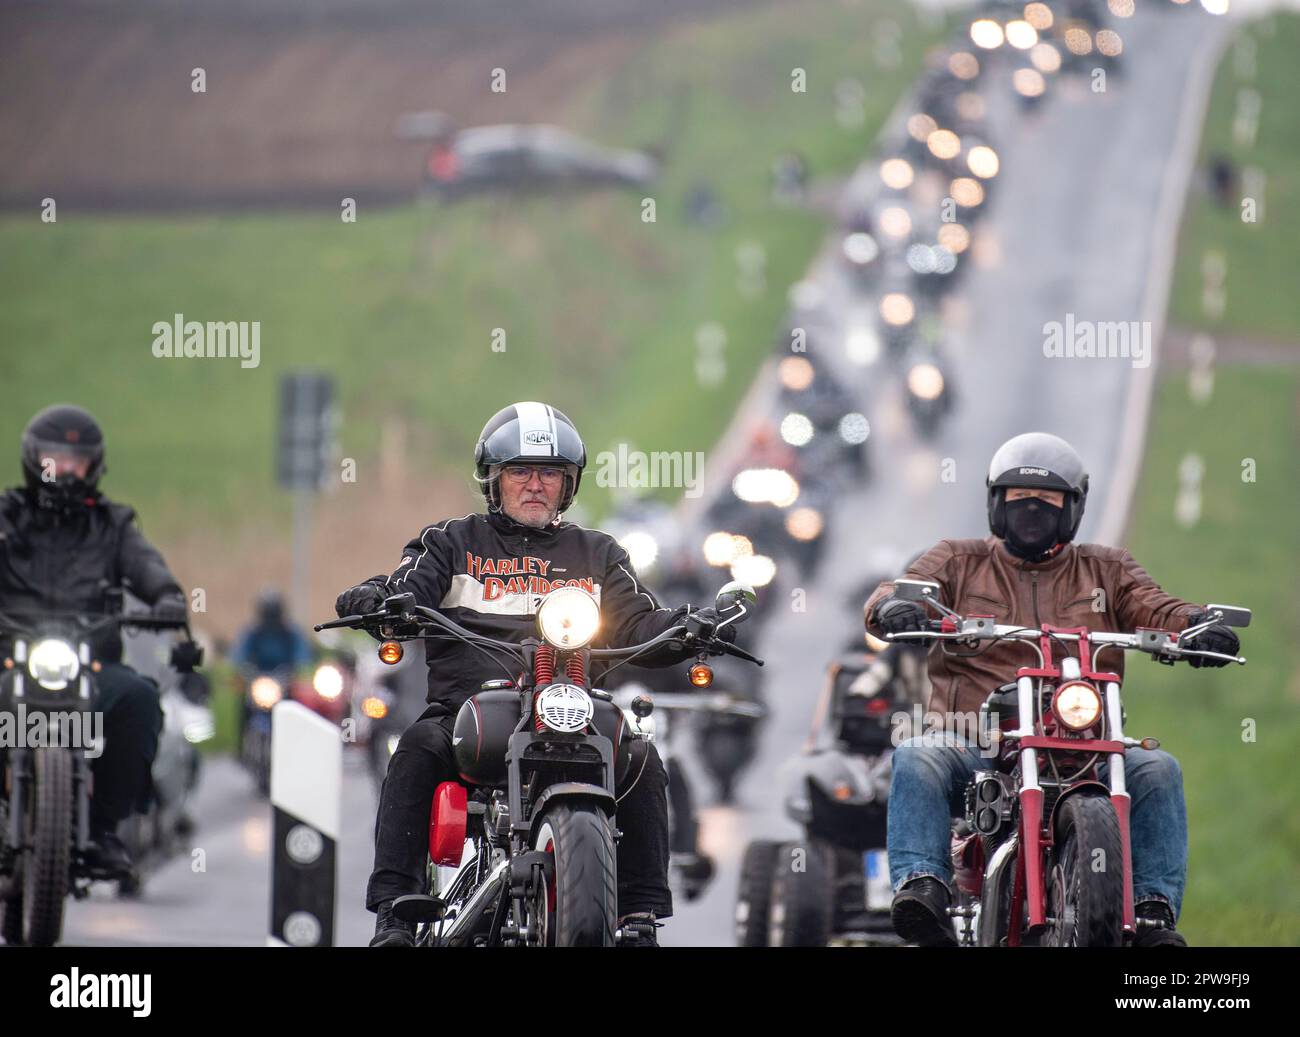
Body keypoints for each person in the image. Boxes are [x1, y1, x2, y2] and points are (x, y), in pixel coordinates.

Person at [335, 402, 733, 947]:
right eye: (520, 471)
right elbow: (409, 587)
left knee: (641, 757)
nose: (535, 484)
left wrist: (692, 626)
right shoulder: (451, 542)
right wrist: (378, 598)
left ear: (568, 485)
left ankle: (639, 917)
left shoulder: (598, 553)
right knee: (416, 748)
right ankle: (396, 915)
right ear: (494, 480)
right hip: (470, 712)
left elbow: (641, 622)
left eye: (550, 473)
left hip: (575, 708)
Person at [864, 432, 1241, 947]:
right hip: (976, 740)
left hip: (1085, 744)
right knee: (917, 755)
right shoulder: (957, 560)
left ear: (1073, 507)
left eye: (1048, 500)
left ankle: (1152, 912)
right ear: (996, 502)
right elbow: (898, 590)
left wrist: (1197, 624)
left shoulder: (1108, 568)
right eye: (1020, 498)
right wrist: (895, 607)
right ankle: (923, 887)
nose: (1033, 509)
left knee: (1157, 768)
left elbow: (1158, 607)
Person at [0, 404, 188, 875]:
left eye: (75, 461)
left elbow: (148, 568)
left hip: (90, 664)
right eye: (52, 458)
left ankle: (103, 829)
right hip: (8, 655)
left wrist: (166, 596)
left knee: (140, 698)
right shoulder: (6, 516)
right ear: (32, 459)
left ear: (93, 465)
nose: (63, 470)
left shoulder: (114, 524)